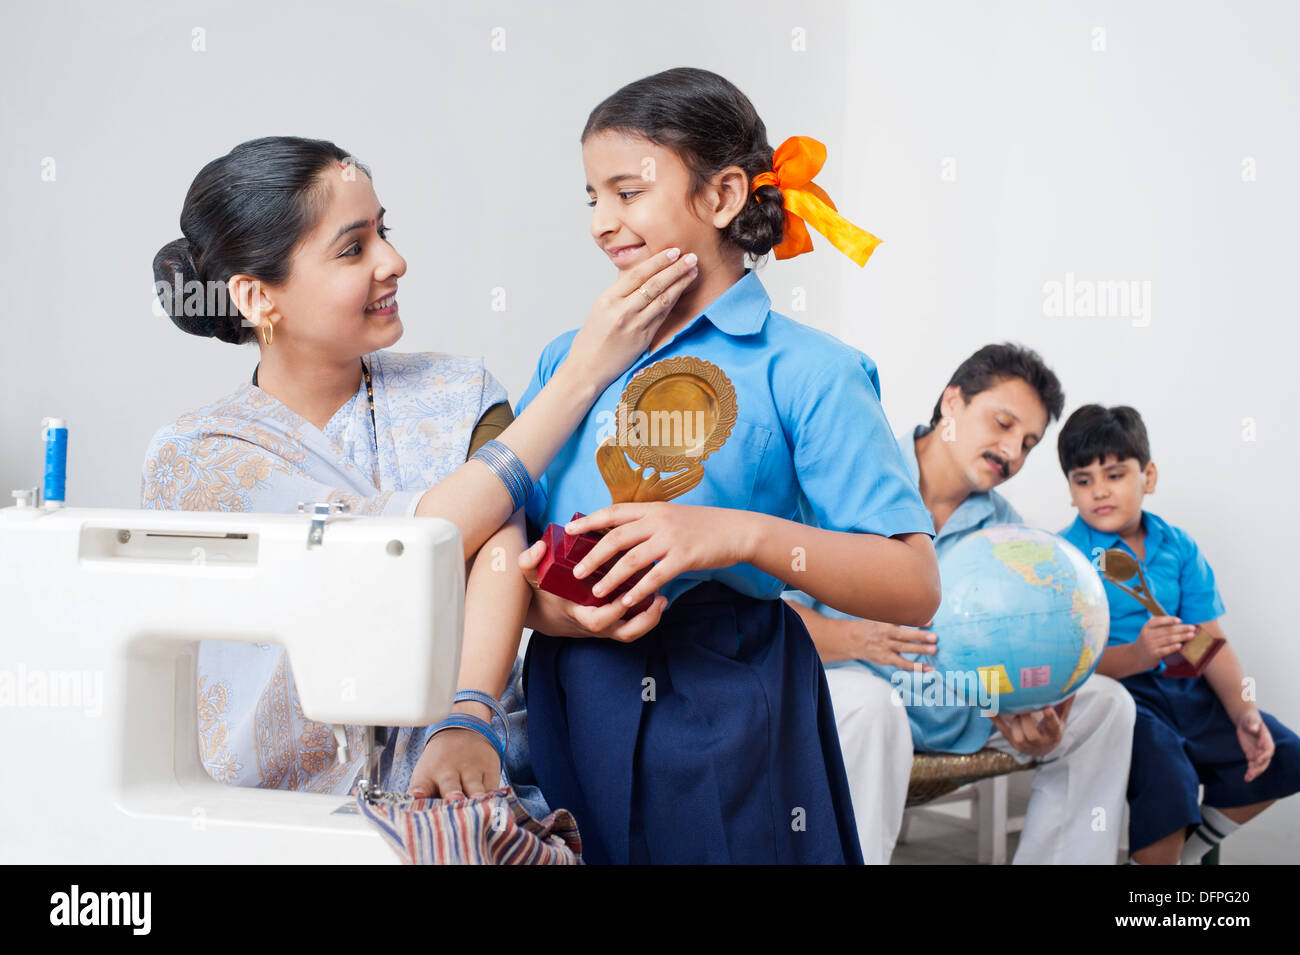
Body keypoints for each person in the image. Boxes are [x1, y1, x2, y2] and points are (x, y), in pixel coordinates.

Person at [405, 67, 941, 864]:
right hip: (571, 686)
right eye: (592, 197)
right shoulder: (571, 356)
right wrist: (512, 661)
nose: (601, 222)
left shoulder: (810, 370)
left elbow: (914, 584)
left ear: (723, 197)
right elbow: (500, 543)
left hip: (732, 695)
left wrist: (733, 535)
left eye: (627, 191)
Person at [141, 135, 699, 796]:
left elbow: (498, 541)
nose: (394, 261)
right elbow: (396, 546)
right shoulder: (197, 454)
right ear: (259, 298)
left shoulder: (461, 392)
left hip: (468, 778)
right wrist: (584, 372)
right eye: (354, 248)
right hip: (273, 812)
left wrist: (470, 716)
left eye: (385, 232)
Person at [789, 344, 1136, 864]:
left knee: (1109, 705)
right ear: (952, 403)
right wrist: (862, 638)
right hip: (862, 702)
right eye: (1002, 423)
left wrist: (1022, 712)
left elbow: (1010, 654)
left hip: (962, 713)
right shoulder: (852, 478)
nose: (1012, 451)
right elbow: (773, 614)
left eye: (1028, 442)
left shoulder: (1007, 533)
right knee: (871, 704)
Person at [1058, 404, 1300, 864]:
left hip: (1187, 688)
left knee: (1285, 751)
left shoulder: (1179, 547)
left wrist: (1244, 712)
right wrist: (1138, 654)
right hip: (1122, 695)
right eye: (1083, 480)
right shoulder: (1066, 557)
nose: (1099, 491)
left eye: (1114, 474)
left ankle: (1194, 849)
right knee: (1170, 777)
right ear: (1070, 492)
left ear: (1148, 476)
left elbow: (1209, 643)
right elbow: (1072, 664)